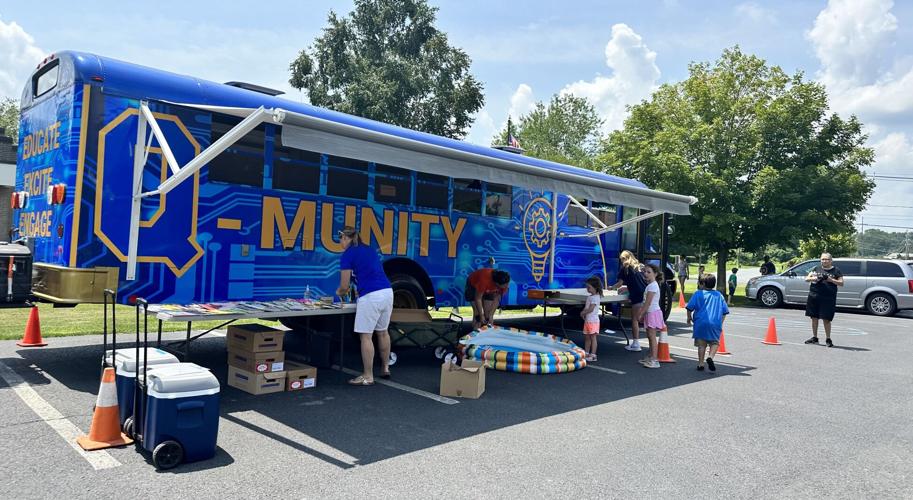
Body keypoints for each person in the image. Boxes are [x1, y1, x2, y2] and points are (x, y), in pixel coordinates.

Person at [336, 226, 393, 386]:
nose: (340, 242)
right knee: (383, 332)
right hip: (387, 292)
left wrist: (338, 292)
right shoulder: (369, 249)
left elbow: (344, 285)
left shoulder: (347, 255)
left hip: (370, 295)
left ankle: (368, 375)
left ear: (345, 238)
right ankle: (385, 367)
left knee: (366, 336)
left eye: (340, 238)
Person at [686, 273, 729, 372]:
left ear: (702, 284)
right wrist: (720, 323)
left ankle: (701, 364)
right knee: (715, 342)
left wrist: (689, 318)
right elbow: (724, 312)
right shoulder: (719, 295)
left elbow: (689, 308)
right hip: (715, 323)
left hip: (700, 323)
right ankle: (710, 357)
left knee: (701, 345)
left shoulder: (698, 294)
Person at [608, 250, 647, 352]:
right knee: (645, 319)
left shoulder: (624, 268)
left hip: (636, 296)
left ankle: (636, 343)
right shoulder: (640, 266)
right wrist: (628, 288)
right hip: (646, 294)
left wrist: (611, 288)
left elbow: (619, 284)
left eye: (621, 259)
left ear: (623, 259)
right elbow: (637, 281)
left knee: (635, 320)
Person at [803, 253, 843, 347]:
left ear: (831, 260)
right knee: (814, 317)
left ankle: (828, 339)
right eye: (823, 259)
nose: (824, 261)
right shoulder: (816, 268)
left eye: (827, 259)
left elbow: (841, 283)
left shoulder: (836, 270)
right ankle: (814, 338)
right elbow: (807, 278)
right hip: (814, 296)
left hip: (828, 298)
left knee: (826, 319)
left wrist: (830, 279)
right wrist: (816, 278)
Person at [639, 264, 666, 369]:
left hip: (652, 313)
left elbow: (648, 303)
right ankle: (651, 356)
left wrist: (641, 314)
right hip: (650, 313)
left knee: (652, 337)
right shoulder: (650, 285)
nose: (645, 274)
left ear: (655, 274)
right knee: (650, 336)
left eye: (648, 272)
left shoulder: (653, 286)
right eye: (644, 272)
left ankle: (654, 360)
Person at [579, 276, 603, 362]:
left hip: (592, 321)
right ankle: (587, 352)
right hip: (589, 320)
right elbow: (587, 307)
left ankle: (593, 354)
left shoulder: (595, 297)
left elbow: (591, 309)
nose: (587, 289)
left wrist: (583, 313)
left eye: (589, 287)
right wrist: (584, 312)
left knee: (592, 338)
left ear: (595, 287)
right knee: (587, 337)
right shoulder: (591, 297)